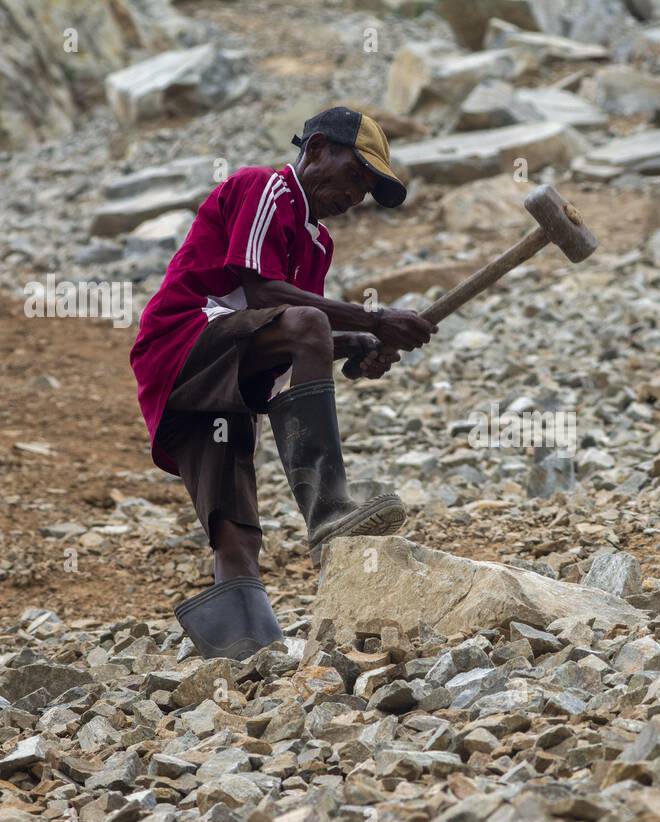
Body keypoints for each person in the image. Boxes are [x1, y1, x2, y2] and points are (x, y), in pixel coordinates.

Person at [128, 106, 435, 660]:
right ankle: (328, 509)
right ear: (316, 148)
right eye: (354, 175)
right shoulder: (266, 188)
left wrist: (358, 349)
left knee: (233, 521)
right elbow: (266, 295)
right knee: (311, 322)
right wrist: (370, 320)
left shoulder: (319, 245)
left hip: (224, 374)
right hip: (181, 347)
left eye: (368, 188)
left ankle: (246, 650)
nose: (356, 196)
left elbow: (289, 331)